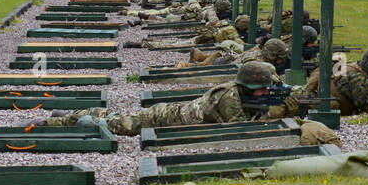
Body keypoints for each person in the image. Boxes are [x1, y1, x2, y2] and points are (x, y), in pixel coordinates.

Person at [45, 61, 277, 135]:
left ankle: (69, 115)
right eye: (262, 89)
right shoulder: (230, 97)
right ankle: (59, 121)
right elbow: (239, 131)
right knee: (122, 124)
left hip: (175, 112)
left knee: (120, 118)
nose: (264, 93)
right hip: (165, 118)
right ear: (248, 86)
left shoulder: (241, 92)